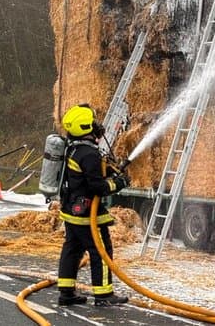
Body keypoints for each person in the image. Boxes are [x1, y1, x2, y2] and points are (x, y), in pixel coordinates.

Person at [56, 104, 130, 307]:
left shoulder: (74, 149)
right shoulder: (88, 154)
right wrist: (119, 182)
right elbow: (97, 187)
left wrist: (108, 170)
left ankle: (66, 293)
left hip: (72, 211)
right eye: (94, 122)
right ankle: (104, 295)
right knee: (101, 251)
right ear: (86, 127)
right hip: (87, 214)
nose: (97, 125)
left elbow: (87, 176)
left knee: (72, 249)